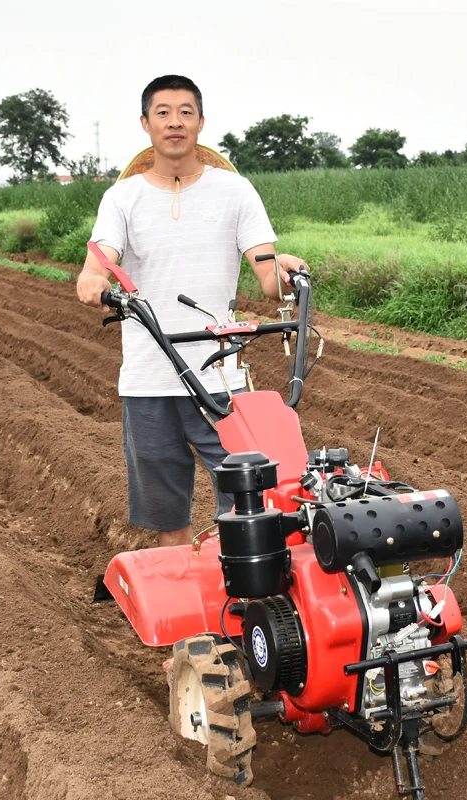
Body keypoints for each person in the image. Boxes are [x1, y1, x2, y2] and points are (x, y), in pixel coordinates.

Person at [76, 74, 309, 547]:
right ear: (145, 123)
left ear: (201, 122)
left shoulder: (235, 191)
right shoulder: (122, 198)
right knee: (168, 518)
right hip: (148, 379)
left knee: (250, 504)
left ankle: (241, 609)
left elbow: (265, 272)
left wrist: (282, 269)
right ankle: (187, 614)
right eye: (163, 113)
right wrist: (93, 282)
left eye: (186, 112)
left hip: (220, 378)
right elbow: (98, 264)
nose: (175, 122)